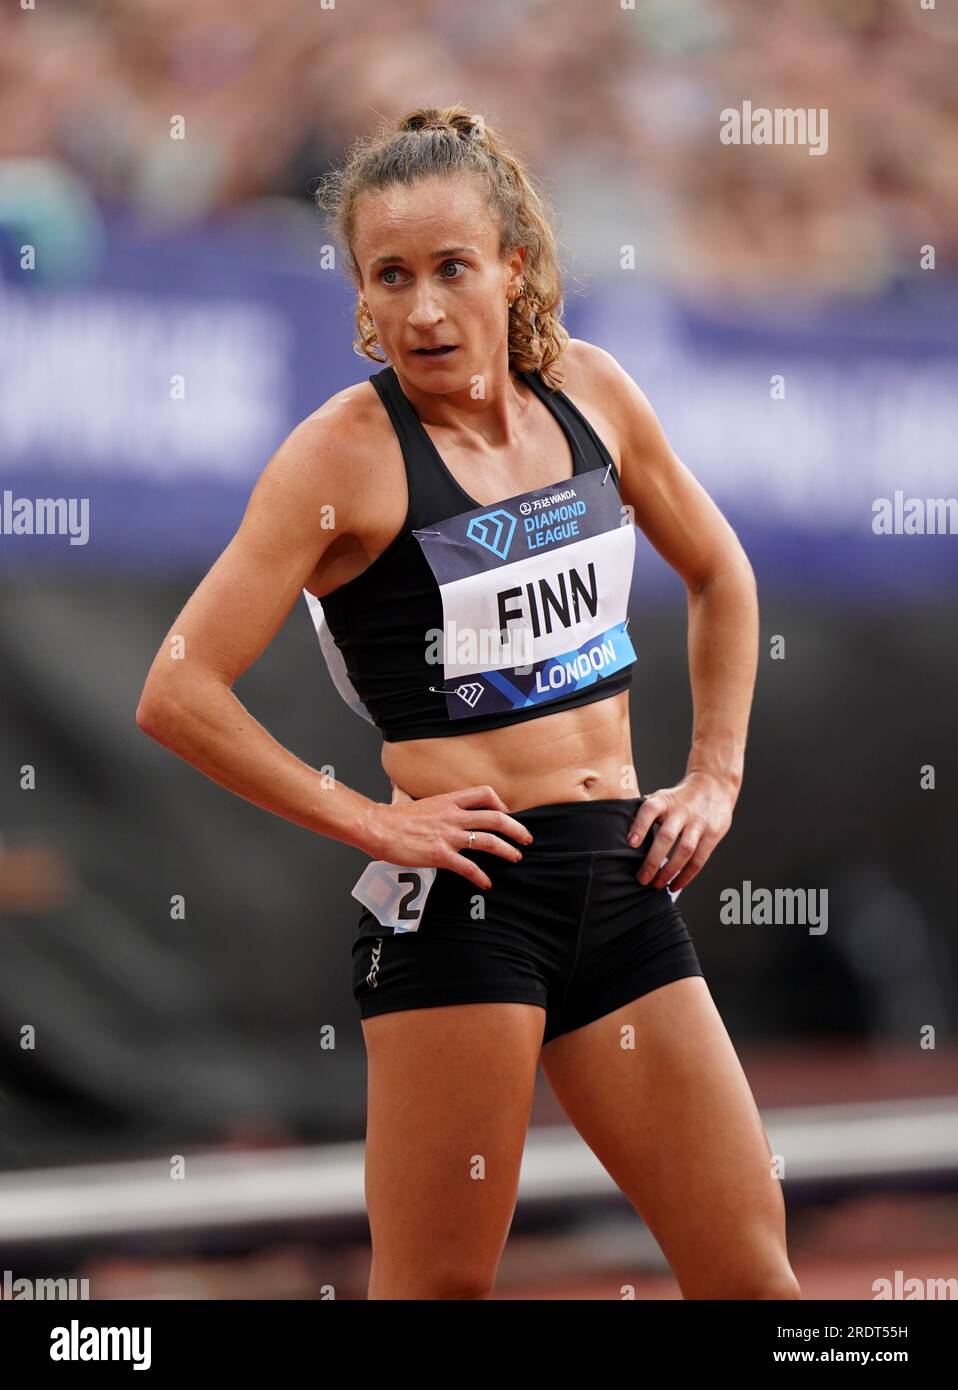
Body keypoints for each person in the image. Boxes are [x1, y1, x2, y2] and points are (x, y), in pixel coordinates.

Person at [136, 105, 800, 1302]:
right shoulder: (341, 455)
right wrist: (372, 820)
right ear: (359, 295)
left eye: (452, 269)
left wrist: (714, 774)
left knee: (752, 1277)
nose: (424, 310)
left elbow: (722, 572)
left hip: (623, 879)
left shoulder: (590, 391)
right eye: (390, 277)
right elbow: (177, 688)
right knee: (436, 1289)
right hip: (464, 898)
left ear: (515, 266)